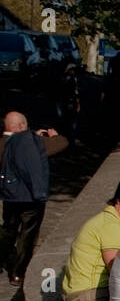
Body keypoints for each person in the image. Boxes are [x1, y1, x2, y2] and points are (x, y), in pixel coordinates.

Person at [0, 112, 69, 286]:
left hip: (9, 195)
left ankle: (4, 257)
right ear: (22, 126)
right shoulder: (34, 143)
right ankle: (17, 272)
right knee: (27, 235)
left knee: (9, 229)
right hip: (30, 197)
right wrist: (53, 136)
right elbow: (61, 144)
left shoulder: (2, 143)